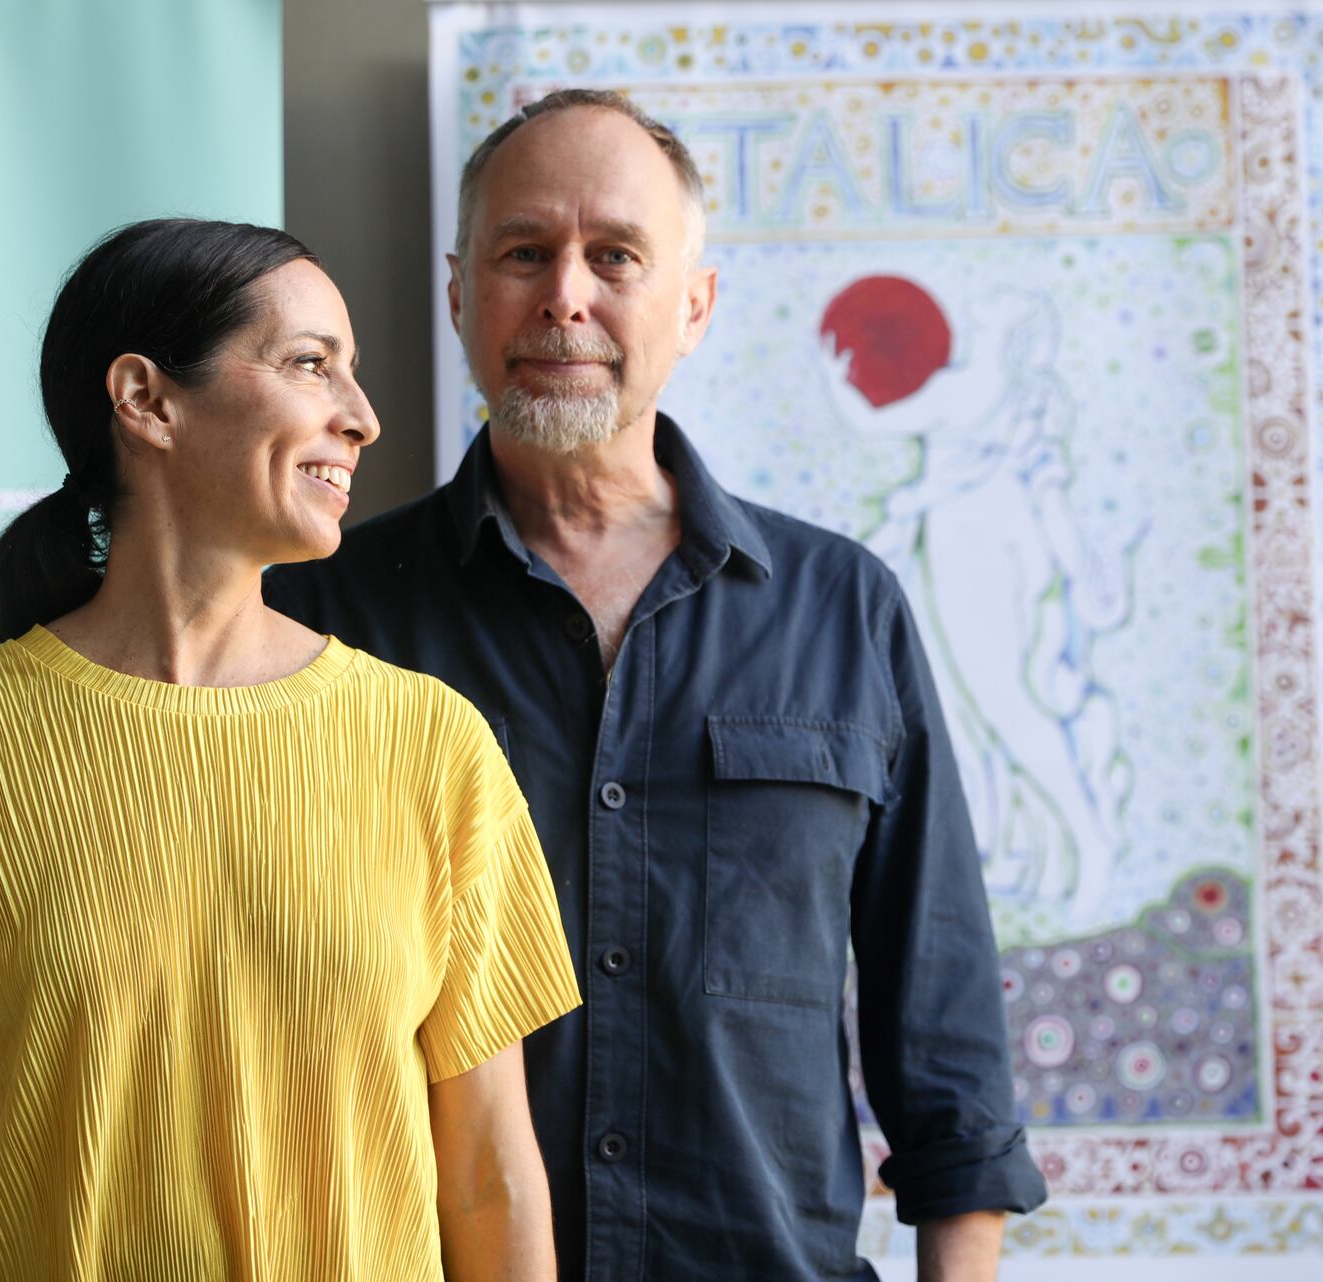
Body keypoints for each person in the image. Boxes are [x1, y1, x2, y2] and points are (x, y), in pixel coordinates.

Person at [267, 91, 1048, 1282]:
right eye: (523, 252)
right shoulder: (328, 613)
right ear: (459, 294)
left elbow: (939, 1026)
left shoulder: (844, 608)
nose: (565, 294)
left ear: (694, 302)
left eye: (614, 256)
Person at [0, 218, 582, 1282]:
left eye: (351, 374)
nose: (362, 418)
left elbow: (488, 1177)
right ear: (146, 400)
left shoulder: (433, 748)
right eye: (310, 364)